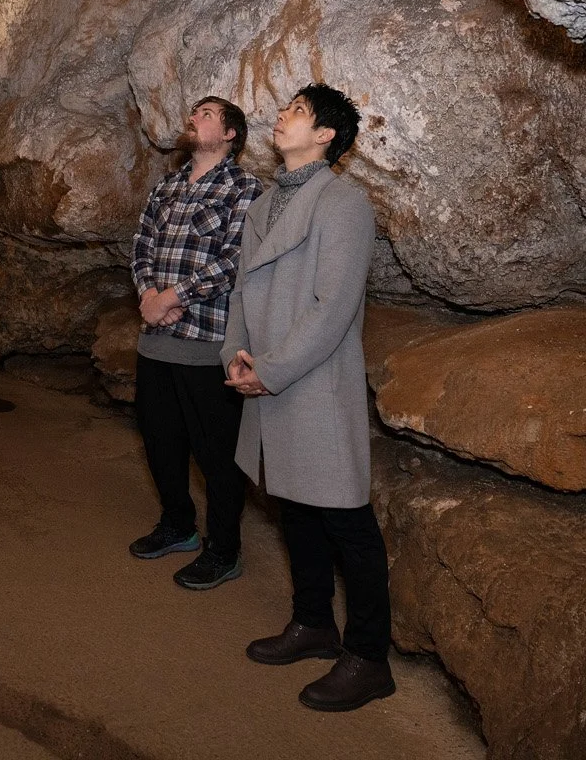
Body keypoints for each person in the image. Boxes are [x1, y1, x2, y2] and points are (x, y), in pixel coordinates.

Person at [222, 83, 395, 712]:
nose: (283, 116)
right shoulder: (264, 204)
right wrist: (236, 358)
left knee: (348, 520)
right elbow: (241, 293)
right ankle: (313, 623)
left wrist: (271, 369)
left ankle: (370, 657)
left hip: (313, 381)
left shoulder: (344, 202)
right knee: (294, 510)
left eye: (297, 111)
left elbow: (332, 308)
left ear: (325, 135)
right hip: (266, 378)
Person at [127, 96, 263, 591]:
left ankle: (223, 550)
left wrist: (174, 296)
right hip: (155, 342)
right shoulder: (166, 184)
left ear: (230, 133)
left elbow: (235, 261)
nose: (193, 119)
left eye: (205, 114)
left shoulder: (243, 187)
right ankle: (178, 525)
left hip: (206, 345)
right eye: (194, 113)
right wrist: (147, 295)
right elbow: (141, 244)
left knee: (217, 457)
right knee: (162, 444)